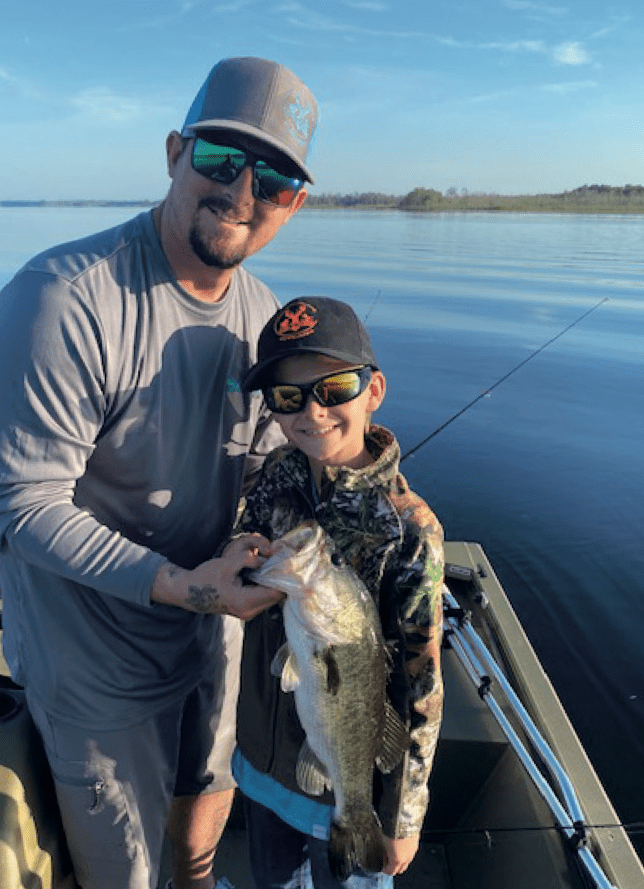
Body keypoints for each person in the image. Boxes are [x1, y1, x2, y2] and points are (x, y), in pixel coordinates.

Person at [0, 57, 318, 889]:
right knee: (124, 870)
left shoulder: (263, 311)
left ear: (292, 203)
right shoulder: (63, 298)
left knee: (208, 789)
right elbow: (17, 507)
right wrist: (191, 586)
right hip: (96, 663)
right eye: (219, 158)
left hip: (214, 630)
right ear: (173, 151)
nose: (241, 190)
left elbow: (271, 458)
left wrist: (369, 481)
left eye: (271, 177)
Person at [227, 297, 445, 889]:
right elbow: (248, 556)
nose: (312, 412)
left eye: (334, 387)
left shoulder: (411, 530)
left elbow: (420, 683)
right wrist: (238, 558)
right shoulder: (278, 472)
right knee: (273, 876)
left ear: (373, 390)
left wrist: (403, 815)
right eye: (288, 397)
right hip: (263, 758)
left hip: (346, 776)